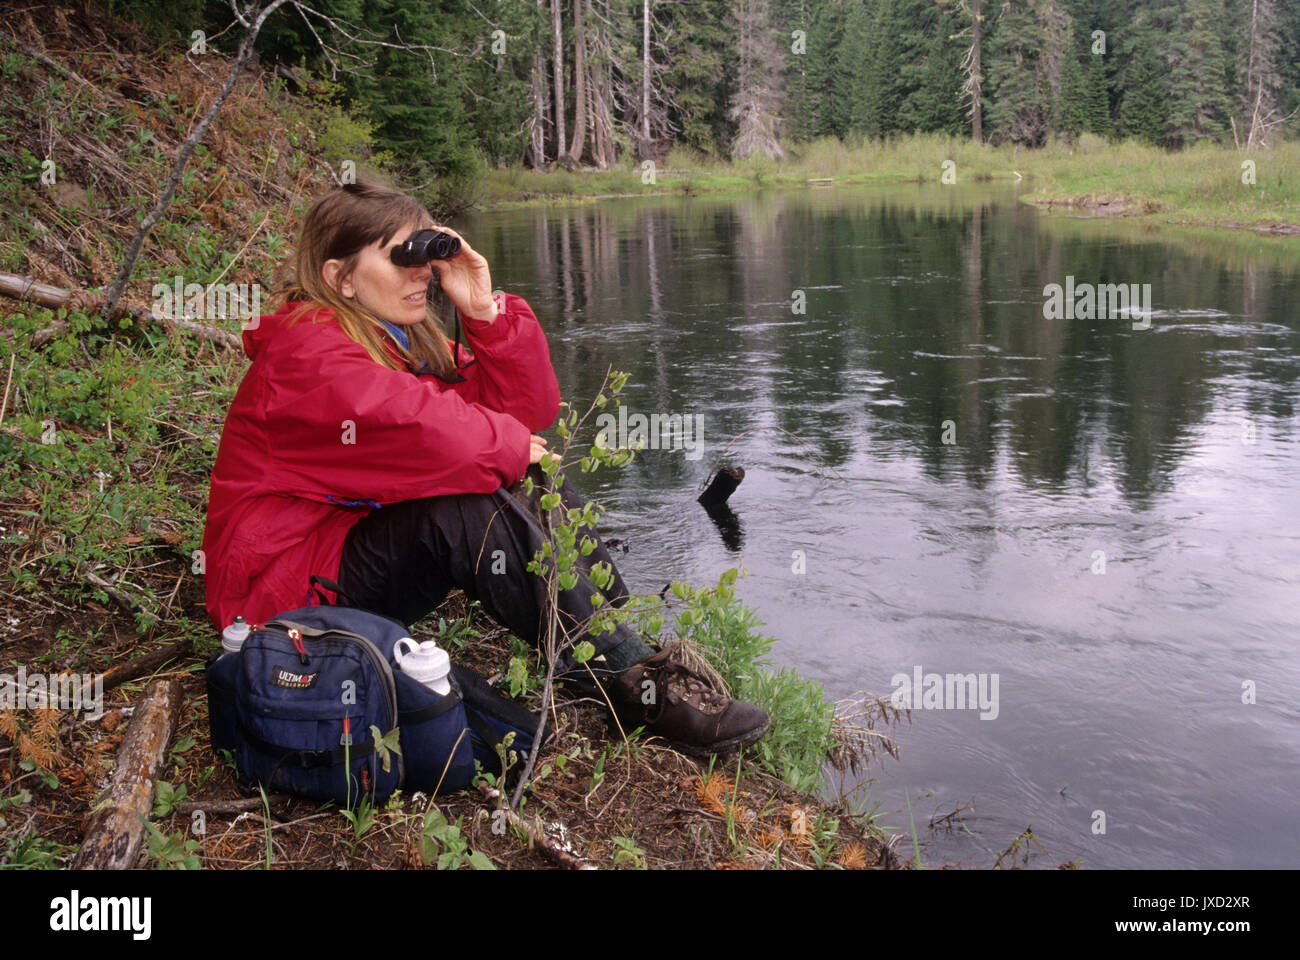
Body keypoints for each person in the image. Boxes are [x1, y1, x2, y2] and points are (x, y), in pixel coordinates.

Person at [201, 178, 771, 759]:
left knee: (533, 477)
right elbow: (427, 431)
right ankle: (626, 679)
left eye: (423, 252)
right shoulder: (309, 352)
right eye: (400, 256)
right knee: (472, 505)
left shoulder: (394, 339)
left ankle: (626, 658)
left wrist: (483, 311)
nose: (420, 270)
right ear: (339, 277)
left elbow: (528, 410)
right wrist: (513, 447)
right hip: (282, 596)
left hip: (340, 556)